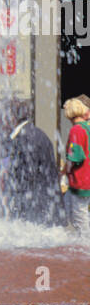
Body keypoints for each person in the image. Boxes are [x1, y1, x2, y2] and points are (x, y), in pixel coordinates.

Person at [2, 101, 65, 226]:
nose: (3, 122)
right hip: (46, 204)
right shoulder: (35, 133)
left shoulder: (25, 137)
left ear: (12, 118)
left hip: (36, 208)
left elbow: (28, 175)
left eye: (5, 117)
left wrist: (16, 203)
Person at [63, 97, 90, 236]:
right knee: (68, 208)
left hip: (80, 180)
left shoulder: (76, 130)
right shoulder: (87, 127)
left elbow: (76, 156)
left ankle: (85, 244)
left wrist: (66, 168)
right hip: (84, 178)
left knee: (80, 216)